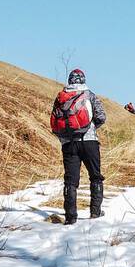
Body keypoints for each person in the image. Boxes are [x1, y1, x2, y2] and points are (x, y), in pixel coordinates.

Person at [49, 68, 107, 224]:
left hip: (68, 144)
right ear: (83, 80)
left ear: (69, 80)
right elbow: (101, 116)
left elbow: (55, 121)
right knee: (95, 177)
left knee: (70, 181)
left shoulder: (61, 97)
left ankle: (70, 217)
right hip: (89, 142)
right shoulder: (89, 95)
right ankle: (95, 212)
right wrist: (91, 128)